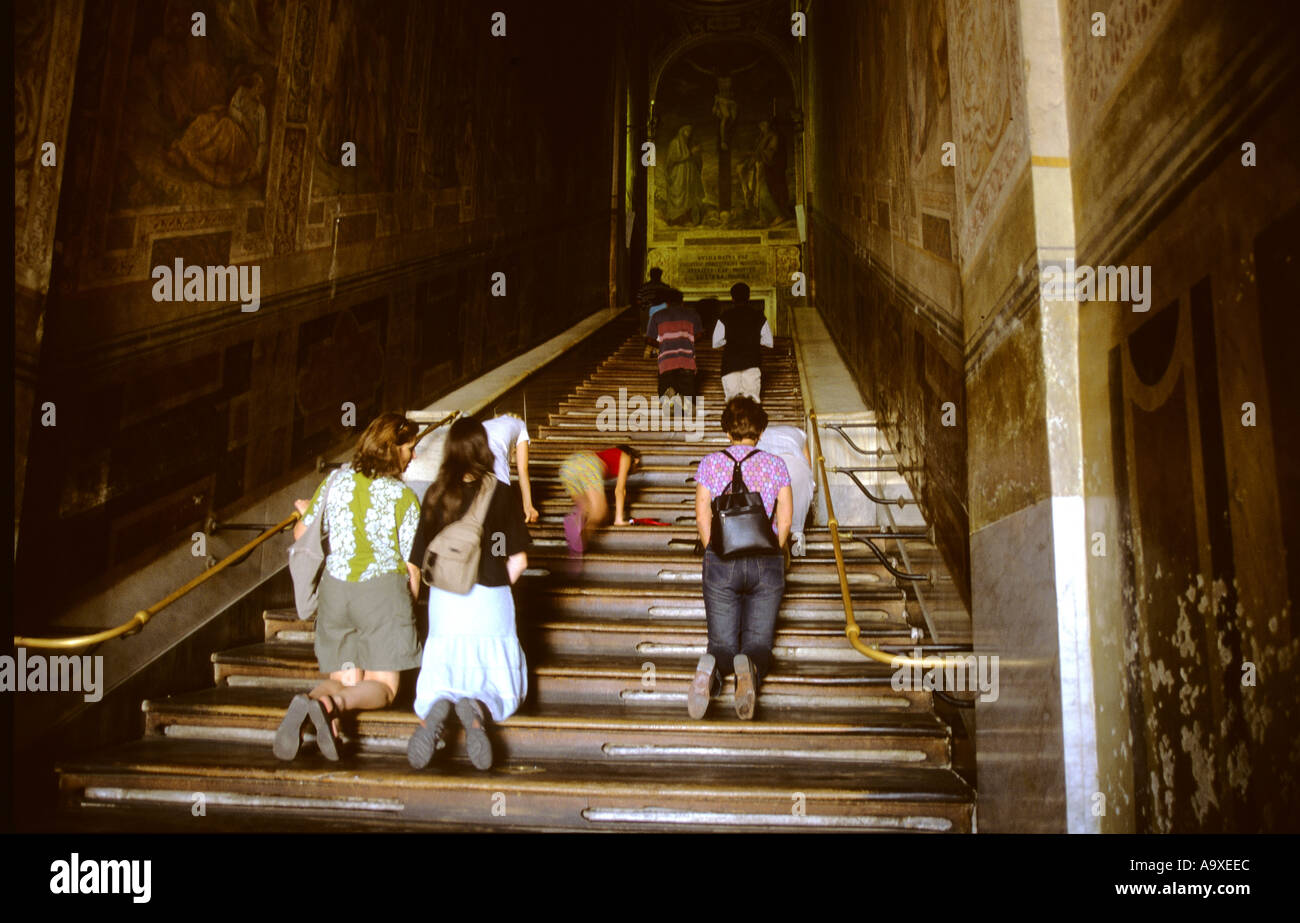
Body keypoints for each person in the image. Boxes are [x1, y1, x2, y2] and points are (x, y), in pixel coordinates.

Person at [276, 412, 423, 761]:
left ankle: (313, 700)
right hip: (381, 593)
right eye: (410, 448)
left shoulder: (335, 480)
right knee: (383, 688)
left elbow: (301, 535)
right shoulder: (405, 498)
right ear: (392, 449)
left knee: (344, 677)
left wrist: (303, 512)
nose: (413, 456)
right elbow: (411, 568)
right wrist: (408, 616)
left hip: (335, 591)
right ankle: (330, 705)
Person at [406, 418, 531, 772]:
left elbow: (416, 561)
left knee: (447, 664)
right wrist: (495, 582)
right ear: (483, 448)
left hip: (446, 599)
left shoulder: (434, 494)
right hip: (490, 595)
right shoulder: (502, 493)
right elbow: (519, 560)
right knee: (493, 673)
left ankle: (437, 706)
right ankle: (478, 708)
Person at [691, 397, 792, 721]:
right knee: (758, 643)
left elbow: (702, 512)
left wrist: (713, 549)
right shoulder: (776, 465)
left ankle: (711, 668)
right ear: (760, 430)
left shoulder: (709, 463)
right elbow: (786, 519)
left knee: (721, 642)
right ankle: (749, 668)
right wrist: (771, 550)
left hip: (722, 560)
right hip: (765, 562)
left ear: (726, 429)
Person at [559, 445, 642, 553]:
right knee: (600, 512)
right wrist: (619, 519)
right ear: (636, 460)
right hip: (587, 463)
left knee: (586, 509)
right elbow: (620, 490)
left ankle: (575, 531)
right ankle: (578, 542)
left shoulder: (611, 455)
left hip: (568, 466)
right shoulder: (626, 457)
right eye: (638, 466)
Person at [757, 423, 815, 556]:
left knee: (772, 511)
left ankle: (772, 546)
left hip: (767, 465)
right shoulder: (799, 433)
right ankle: (798, 550)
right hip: (797, 467)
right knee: (793, 514)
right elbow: (808, 464)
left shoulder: (756, 433)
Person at [713, 282, 773, 401]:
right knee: (752, 404)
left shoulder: (725, 316)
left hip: (729, 365)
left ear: (732, 298)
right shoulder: (759, 316)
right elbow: (769, 342)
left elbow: (716, 342)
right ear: (749, 297)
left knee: (733, 405)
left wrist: (731, 339)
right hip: (752, 364)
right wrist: (754, 339)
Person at [647, 288, 703, 402]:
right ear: (682, 301)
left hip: (666, 363)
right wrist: (688, 341)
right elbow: (700, 335)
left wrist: (663, 344)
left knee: (667, 405)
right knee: (687, 404)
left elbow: (648, 339)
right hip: (687, 362)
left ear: (666, 302)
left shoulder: (657, 316)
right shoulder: (692, 315)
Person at [483, 413, 539, 523]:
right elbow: (522, 469)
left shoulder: (484, 424)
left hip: (470, 472)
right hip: (497, 477)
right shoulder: (520, 425)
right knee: (500, 529)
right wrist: (528, 505)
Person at [637, 268, 674, 358]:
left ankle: (649, 350)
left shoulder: (643, 287)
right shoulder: (665, 287)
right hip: (661, 314)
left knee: (649, 333)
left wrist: (644, 307)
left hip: (647, 313)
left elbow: (638, 301)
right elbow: (670, 302)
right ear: (660, 275)